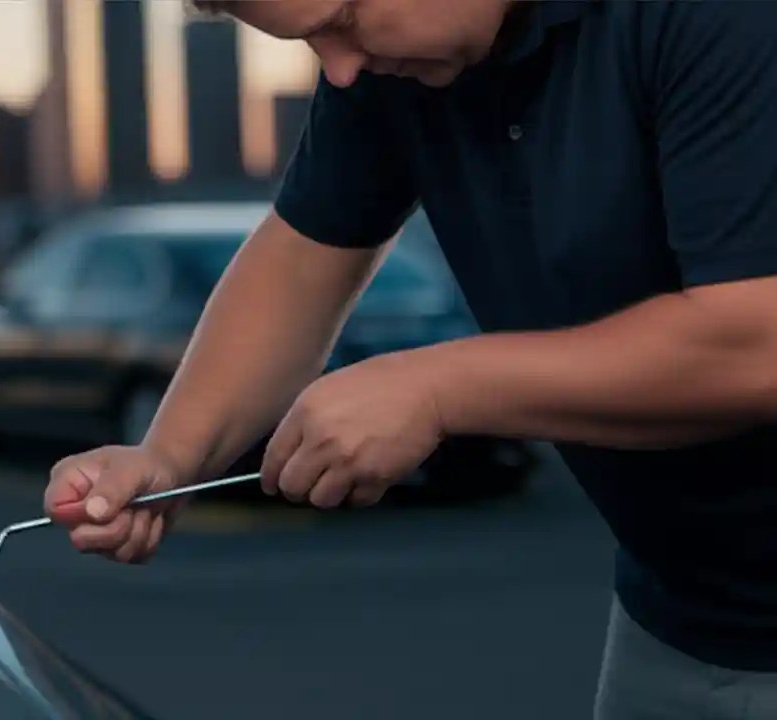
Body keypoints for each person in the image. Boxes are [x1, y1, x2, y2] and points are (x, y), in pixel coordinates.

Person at [42, 1, 777, 717]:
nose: (337, 71)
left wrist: (436, 387)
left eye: (341, 21)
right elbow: (300, 264)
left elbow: (757, 346)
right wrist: (168, 458)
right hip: (674, 622)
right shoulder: (392, 65)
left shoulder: (721, 18)